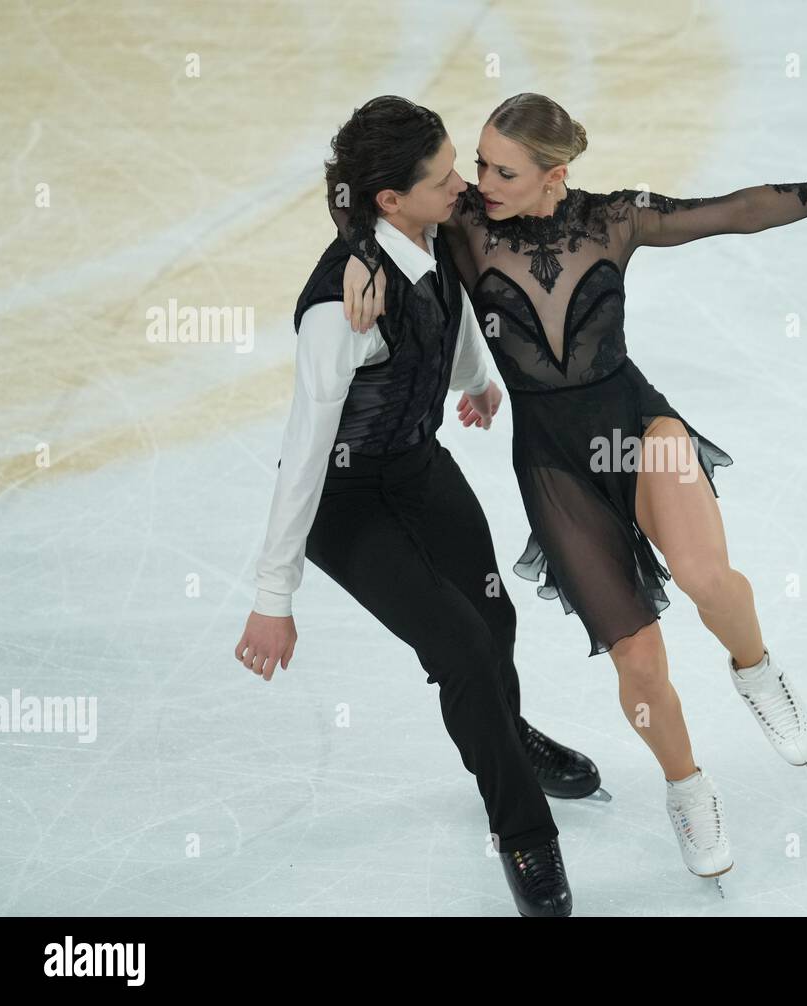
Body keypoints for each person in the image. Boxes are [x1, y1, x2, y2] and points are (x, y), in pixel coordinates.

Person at [335, 92, 807, 890]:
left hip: (635, 427)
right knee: (640, 661)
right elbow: (362, 190)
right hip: (553, 464)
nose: (480, 181)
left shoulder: (612, 219)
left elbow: (735, 211)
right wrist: (356, 251)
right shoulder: (464, 228)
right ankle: (687, 787)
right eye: (478, 163)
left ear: (555, 176)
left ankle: (754, 667)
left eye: (501, 169)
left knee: (705, 577)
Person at [234, 96, 611, 917]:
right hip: (345, 501)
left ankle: (506, 739)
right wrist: (274, 598)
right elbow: (303, 450)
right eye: (446, 180)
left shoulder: (415, 228)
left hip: (415, 463)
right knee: (464, 651)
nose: (464, 190)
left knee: (495, 618)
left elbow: (446, 295)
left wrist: (472, 374)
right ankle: (524, 832)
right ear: (391, 200)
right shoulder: (341, 313)